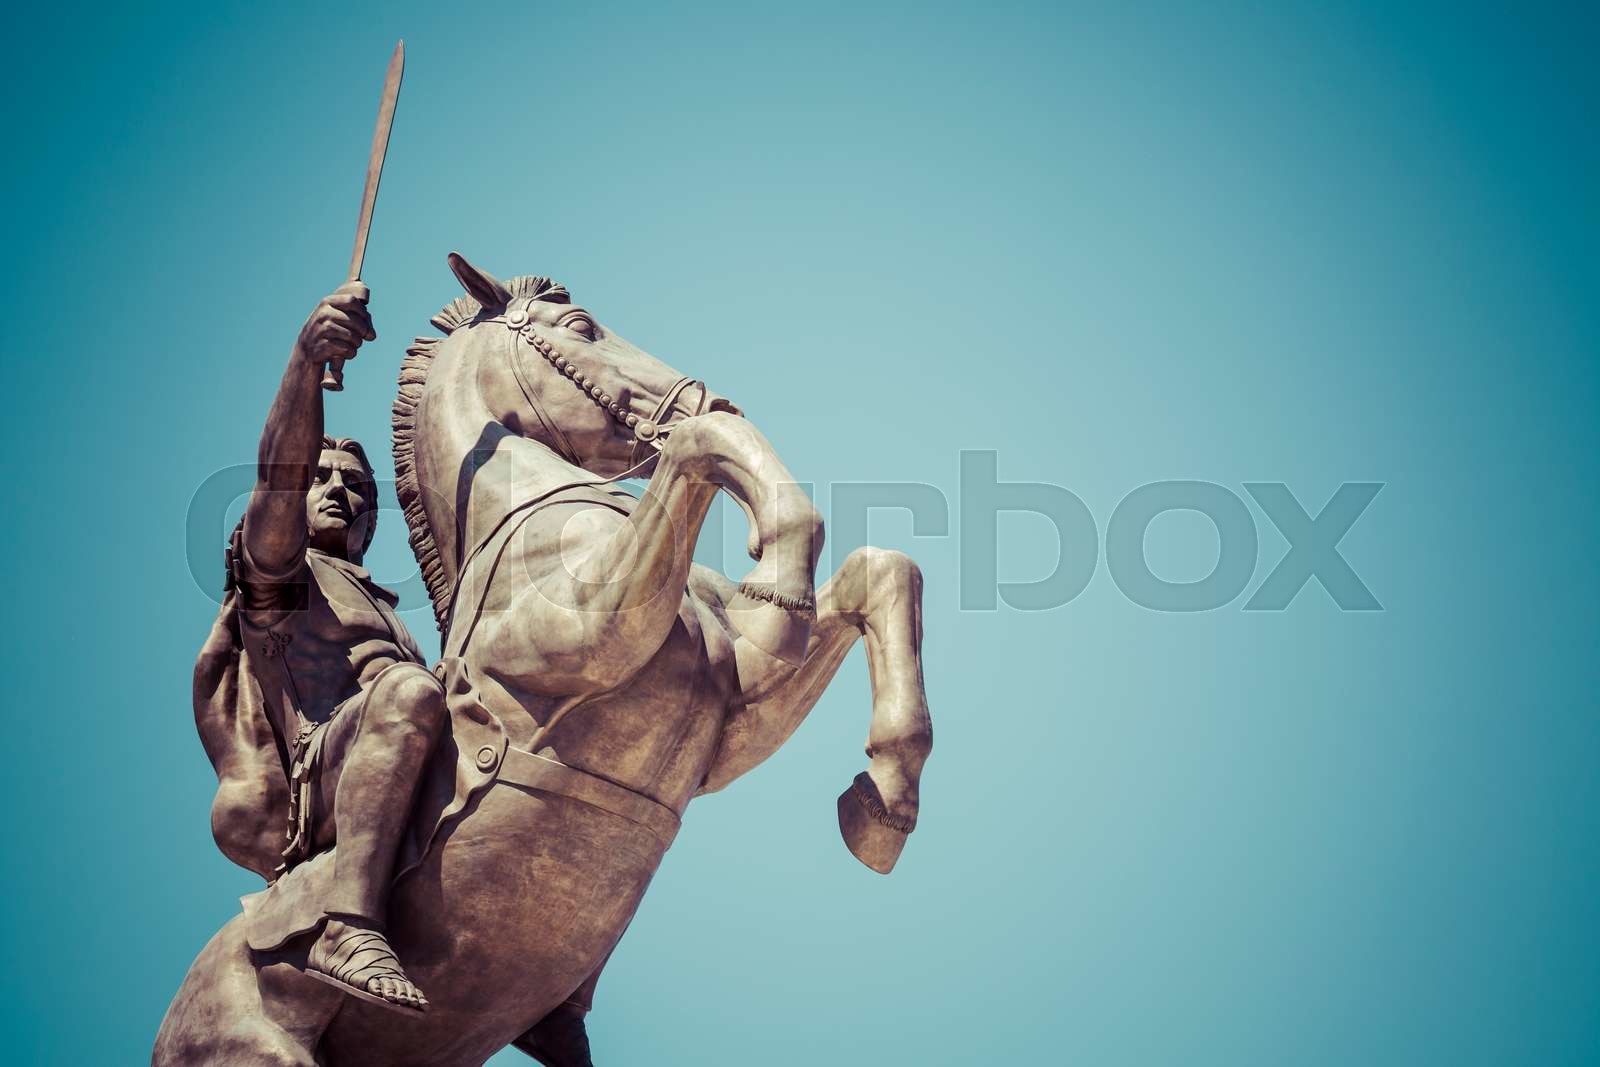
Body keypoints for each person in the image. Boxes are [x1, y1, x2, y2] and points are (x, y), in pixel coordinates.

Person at [232, 281, 446, 1012]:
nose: (338, 491)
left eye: (356, 487)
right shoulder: (277, 578)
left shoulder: (385, 609)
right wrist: (305, 359)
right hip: (321, 771)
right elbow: (277, 481)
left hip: (394, 744)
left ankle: (559, 991)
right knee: (414, 691)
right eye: (323, 478)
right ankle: (347, 923)